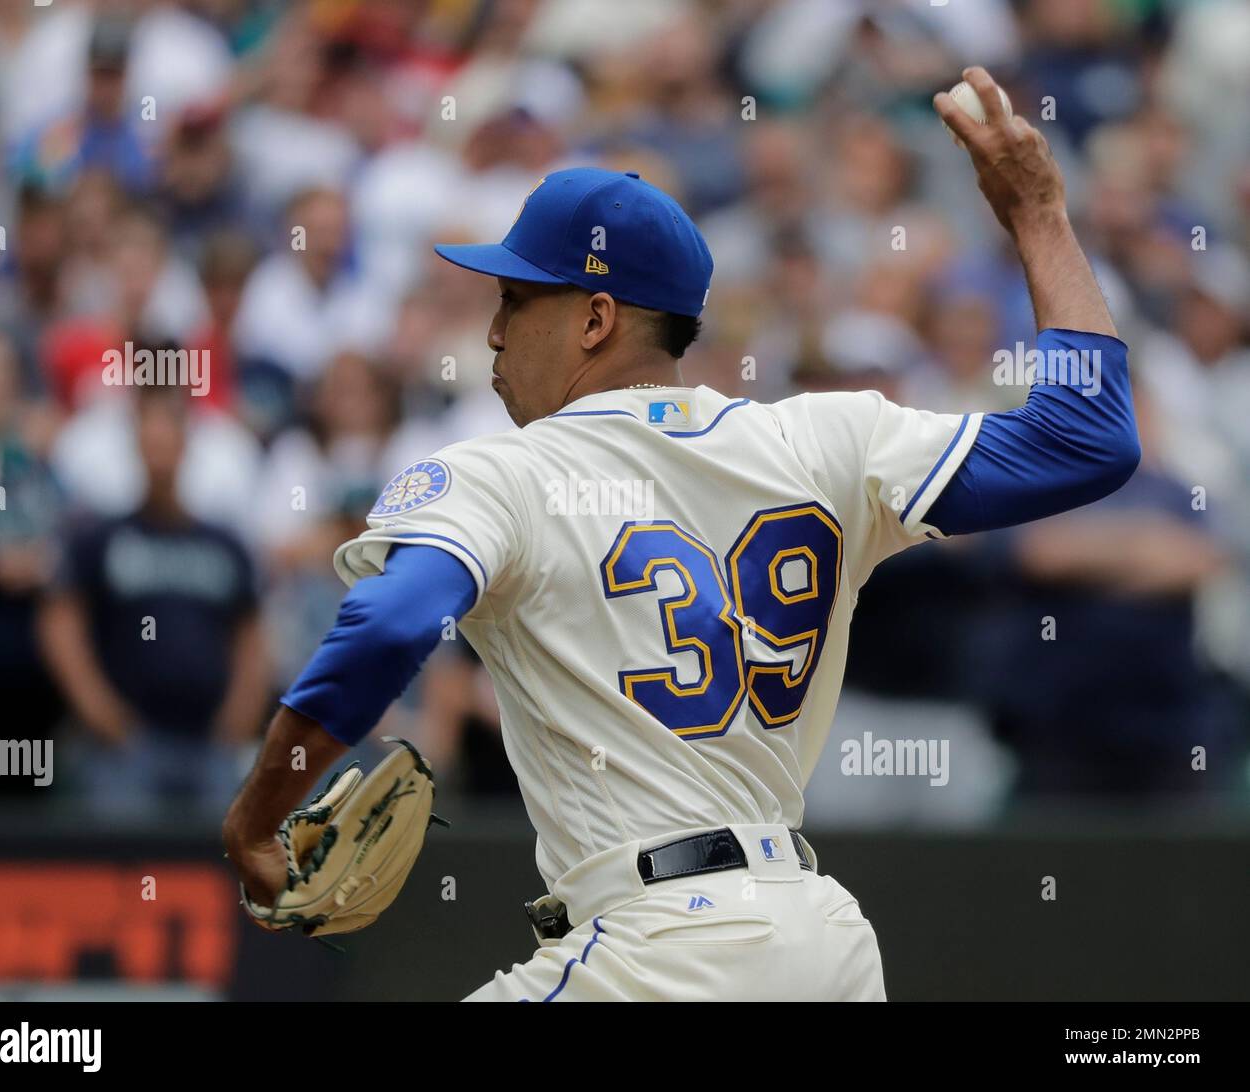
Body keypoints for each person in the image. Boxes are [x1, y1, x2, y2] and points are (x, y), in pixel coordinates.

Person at [223, 69, 1141, 1001]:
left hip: (657, 949)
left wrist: (259, 815)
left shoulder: (503, 474)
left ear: (594, 318)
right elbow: (1088, 439)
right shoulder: (823, 438)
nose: (493, 333)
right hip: (820, 944)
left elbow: (387, 624)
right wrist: (1039, 213)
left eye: (515, 301)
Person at [39, 383, 267, 817]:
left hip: (210, 744)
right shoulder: (101, 538)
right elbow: (60, 622)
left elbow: (252, 634)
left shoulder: (223, 543)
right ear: (136, 444)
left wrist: (238, 718)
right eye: (150, 434)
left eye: (170, 433)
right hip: (126, 745)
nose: (160, 445)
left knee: (217, 867)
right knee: (125, 869)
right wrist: (100, 711)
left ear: (187, 443)